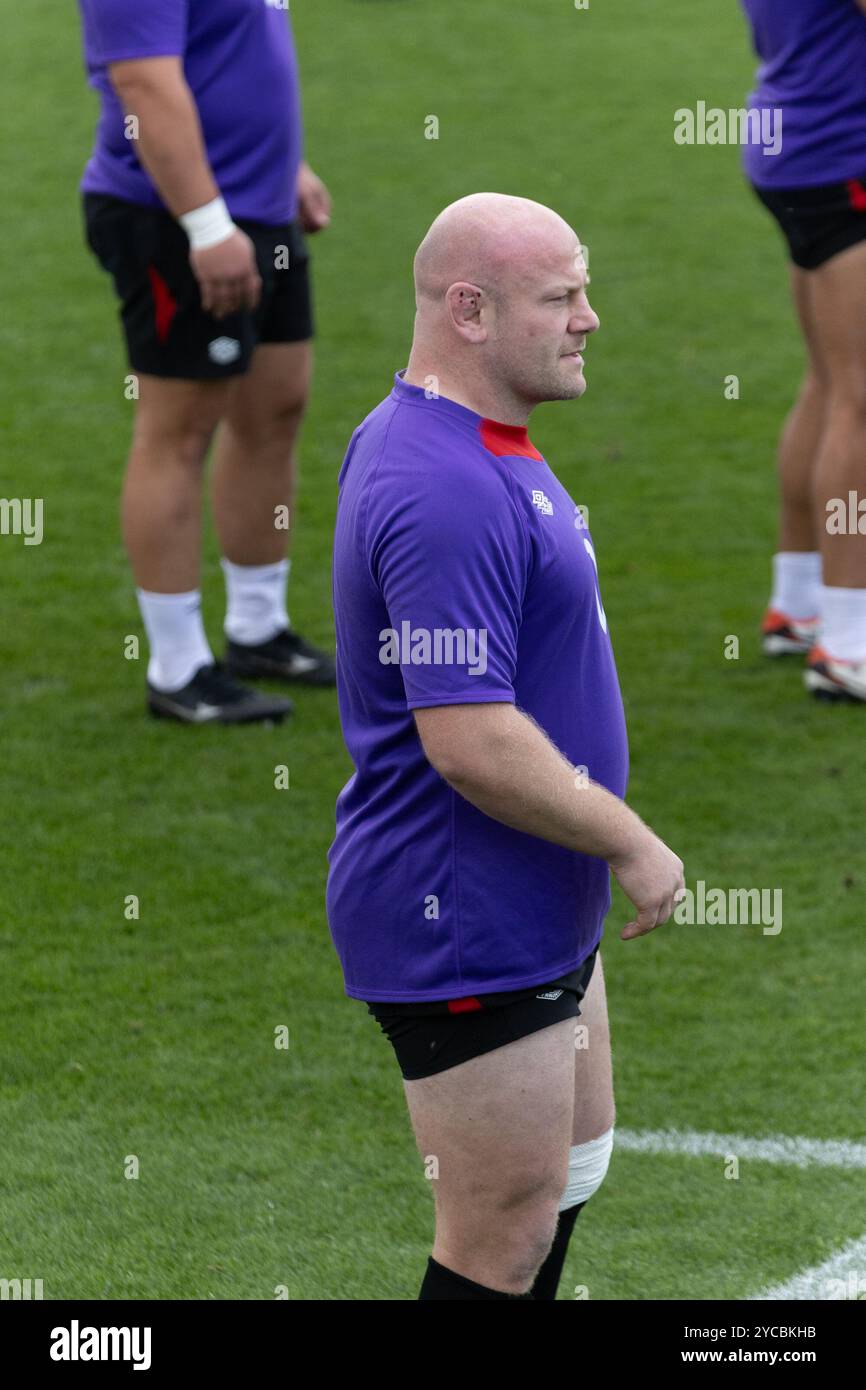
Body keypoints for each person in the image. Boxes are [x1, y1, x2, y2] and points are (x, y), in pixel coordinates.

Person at [326, 193, 685, 1300]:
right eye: (560, 296)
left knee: (562, 1179)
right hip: (460, 911)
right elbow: (468, 739)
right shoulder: (442, 487)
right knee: (496, 1239)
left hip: (527, 889)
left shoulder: (468, 439)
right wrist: (627, 839)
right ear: (469, 311)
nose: (589, 319)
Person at [77, 0, 335, 724]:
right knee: (180, 430)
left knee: (275, 408)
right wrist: (207, 224)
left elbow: (231, 53)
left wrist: (288, 162)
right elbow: (143, 82)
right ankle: (178, 666)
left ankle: (258, 628)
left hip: (259, 208)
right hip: (176, 217)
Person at [742, 0, 866, 702]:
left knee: (829, 380)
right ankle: (848, 644)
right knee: (861, 397)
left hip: (795, 148)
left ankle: (798, 603)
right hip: (843, 157)